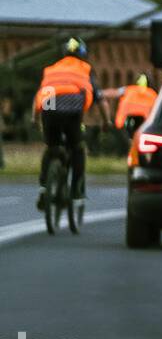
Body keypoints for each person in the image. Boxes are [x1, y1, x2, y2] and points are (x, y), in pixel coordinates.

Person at [33, 37, 98, 210]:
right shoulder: (85, 69)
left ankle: (43, 189)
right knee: (77, 148)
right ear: (83, 54)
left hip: (50, 104)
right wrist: (106, 121)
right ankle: (76, 190)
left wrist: (34, 118)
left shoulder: (51, 69)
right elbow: (101, 100)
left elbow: (39, 94)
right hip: (72, 105)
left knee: (52, 147)